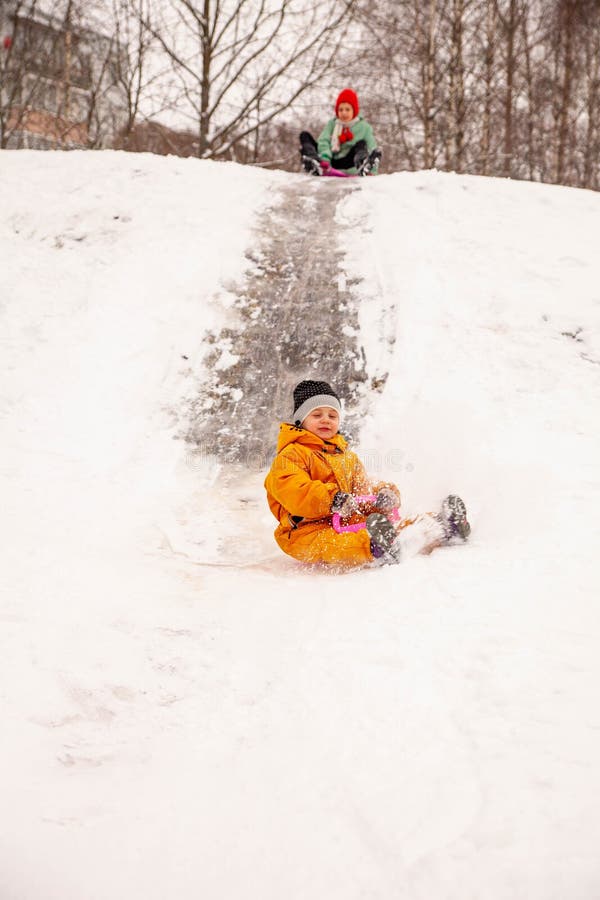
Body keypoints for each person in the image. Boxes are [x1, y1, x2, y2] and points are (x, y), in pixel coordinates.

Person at [264, 379, 470, 569]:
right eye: (317, 415)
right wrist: (332, 499)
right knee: (335, 543)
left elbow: (362, 487)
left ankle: (442, 525)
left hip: (347, 520)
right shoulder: (291, 456)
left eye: (332, 415)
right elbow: (294, 490)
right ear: (301, 420)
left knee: (391, 524)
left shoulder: (345, 457)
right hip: (305, 531)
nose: (326, 420)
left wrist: (383, 494)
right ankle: (376, 548)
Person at [299, 88, 382, 177]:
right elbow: (323, 140)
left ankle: (364, 165)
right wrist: (325, 159)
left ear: (354, 111)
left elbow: (371, 146)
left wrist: (373, 172)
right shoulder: (332, 124)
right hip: (329, 161)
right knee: (304, 135)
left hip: (349, 162)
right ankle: (314, 163)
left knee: (361, 144)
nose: (344, 113)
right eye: (340, 110)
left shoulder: (364, 127)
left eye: (347, 109)